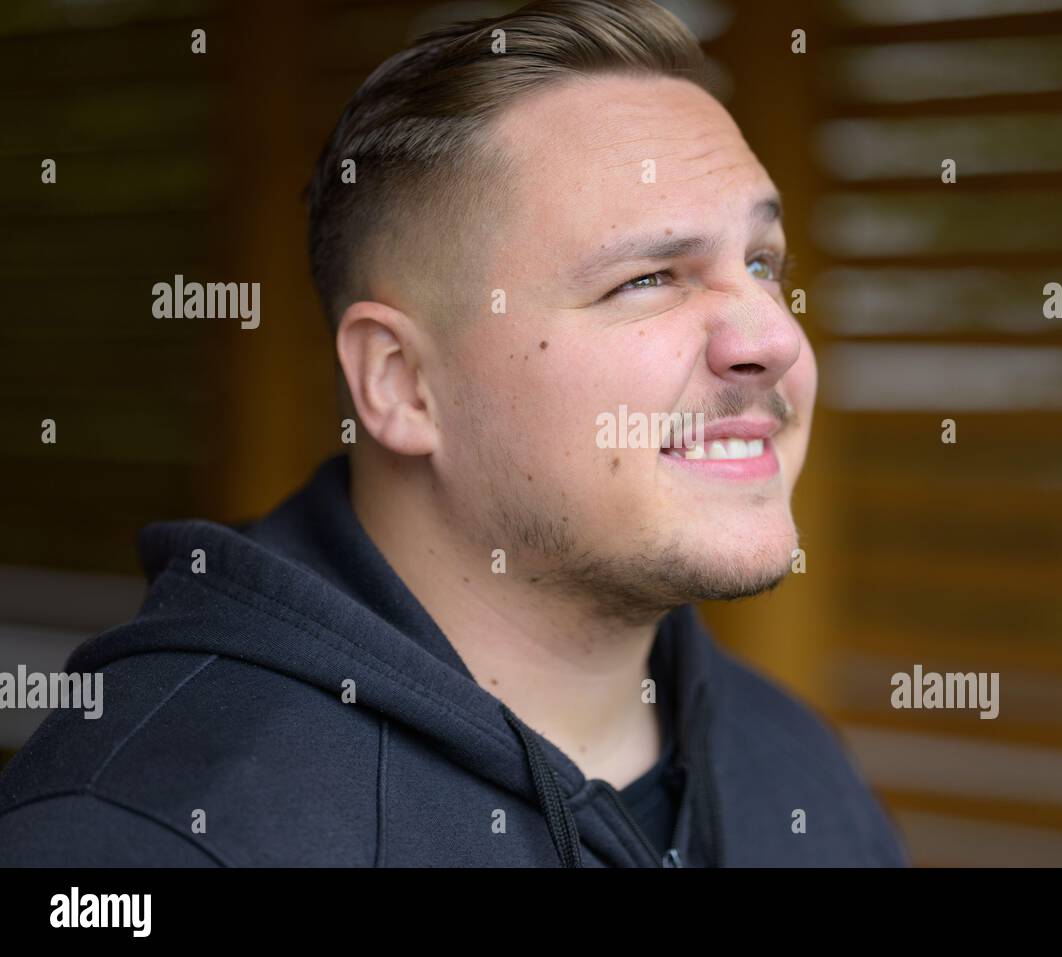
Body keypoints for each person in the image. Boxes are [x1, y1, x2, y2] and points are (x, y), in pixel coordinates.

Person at [0, 0, 904, 867]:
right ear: (401, 384)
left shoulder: (794, 766)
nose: (773, 338)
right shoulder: (147, 832)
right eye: (649, 278)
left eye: (761, 264)